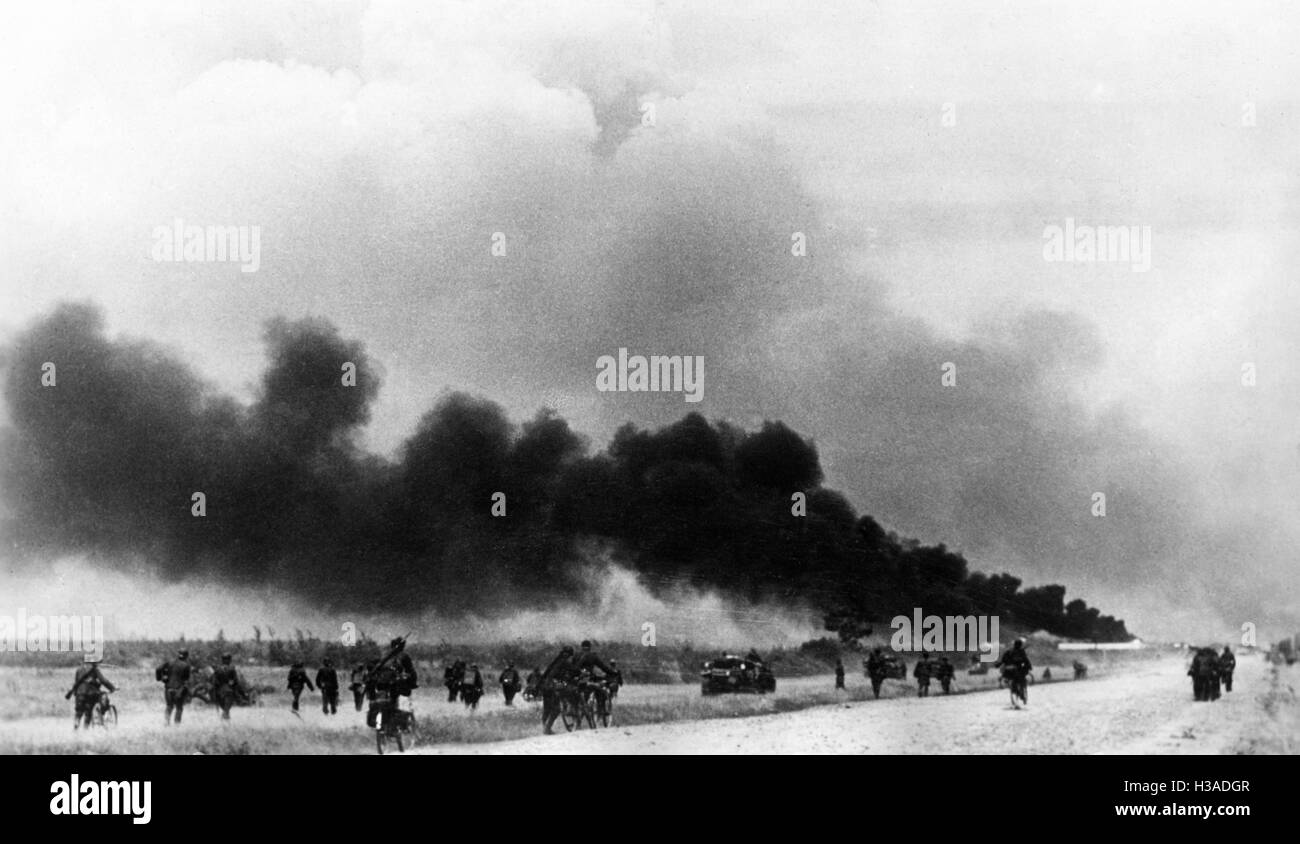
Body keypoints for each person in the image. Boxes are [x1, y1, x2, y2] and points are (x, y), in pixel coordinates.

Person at [67, 654, 116, 730]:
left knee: (79, 712)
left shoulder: (79, 669)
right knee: (88, 712)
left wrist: (75, 693)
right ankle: (85, 729)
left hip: (79, 693)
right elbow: (103, 681)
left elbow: (76, 682)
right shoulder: (95, 669)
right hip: (90, 694)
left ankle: (76, 726)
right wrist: (112, 688)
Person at [541, 645, 577, 734]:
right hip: (553, 686)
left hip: (546, 686)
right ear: (570, 655)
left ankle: (543, 727)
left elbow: (546, 673)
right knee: (556, 709)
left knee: (547, 708)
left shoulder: (555, 661)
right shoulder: (564, 662)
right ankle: (547, 729)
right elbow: (575, 670)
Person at [156, 648, 193, 726]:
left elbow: (158, 669)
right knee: (179, 708)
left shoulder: (169, 662)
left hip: (168, 688)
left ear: (178, 654)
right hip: (179, 689)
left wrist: (159, 678)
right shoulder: (186, 666)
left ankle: (166, 723)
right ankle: (177, 726)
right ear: (186, 656)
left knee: (169, 706)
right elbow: (186, 680)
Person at [995, 639, 1032, 704]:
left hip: (1009, 672)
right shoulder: (1021, 651)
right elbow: (1025, 660)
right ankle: (1022, 693)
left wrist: (998, 664)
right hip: (1017, 671)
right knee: (1022, 679)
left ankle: (1019, 692)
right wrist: (1029, 666)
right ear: (1020, 645)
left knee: (1014, 678)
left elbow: (1003, 660)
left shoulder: (1009, 651)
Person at [212, 653, 241, 721]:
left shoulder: (217, 669)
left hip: (220, 693)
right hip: (229, 692)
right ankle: (224, 723)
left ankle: (226, 723)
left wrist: (216, 694)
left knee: (225, 710)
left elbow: (214, 682)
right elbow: (236, 681)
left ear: (222, 660)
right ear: (229, 660)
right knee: (226, 711)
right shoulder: (232, 669)